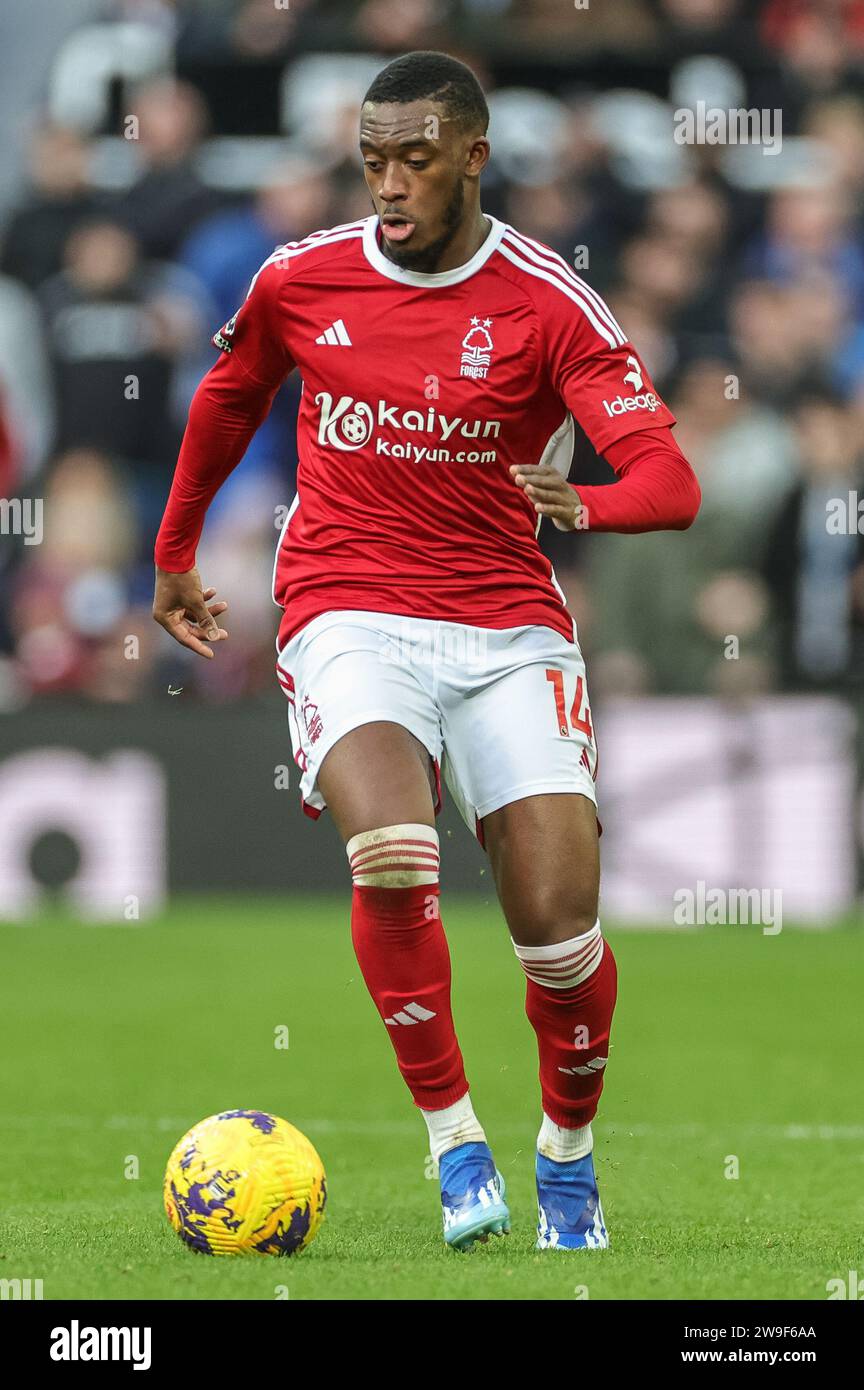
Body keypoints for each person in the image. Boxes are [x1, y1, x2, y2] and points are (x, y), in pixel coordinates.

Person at [153, 50, 701, 1253]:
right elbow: (230, 395)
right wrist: (175, 547)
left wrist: (585, 505)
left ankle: (565, 1151)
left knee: (557, 938)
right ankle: (454, 1139)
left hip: (504, 623)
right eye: (370, 162)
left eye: (412, 159)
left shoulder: (548, 300)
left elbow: (669, 479)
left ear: (470, 157)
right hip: (346, 604)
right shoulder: (304, 277)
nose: (388, 185)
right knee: (393, 851)